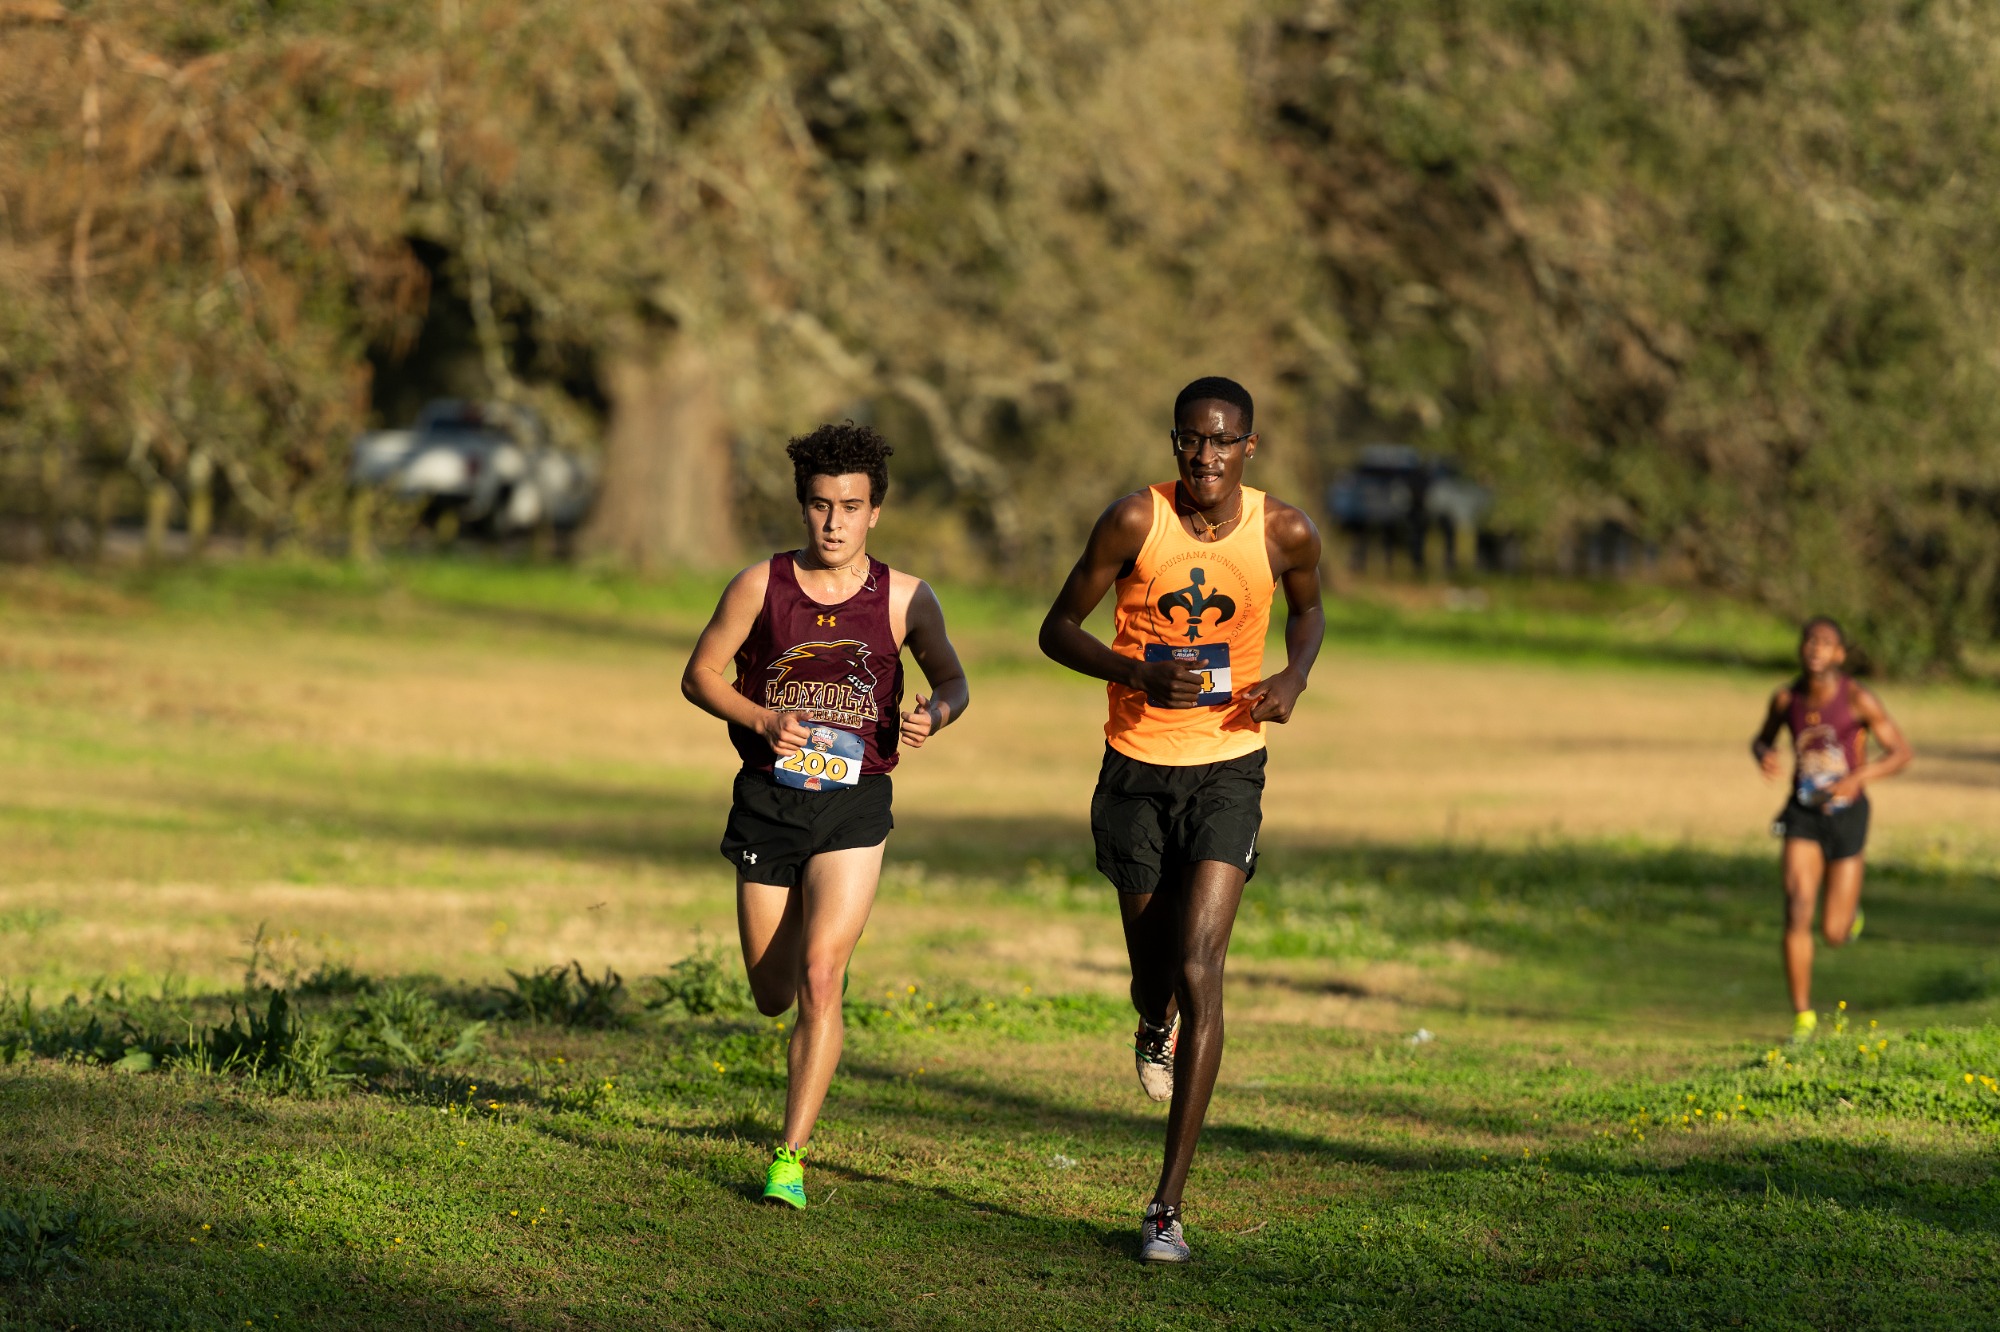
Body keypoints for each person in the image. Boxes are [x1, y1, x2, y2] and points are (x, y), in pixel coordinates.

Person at [1038, 375, 1324, 1263]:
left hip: (1228, 767)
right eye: (1190, 442)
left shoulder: (1285, 531)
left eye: (1222, 442)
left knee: (1204, 968)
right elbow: (1055, 628)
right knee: (1154, 970)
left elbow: (1310, 614)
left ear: (1249, 446)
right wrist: (1134, 672)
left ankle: (1165, 1206)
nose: (1205, 457)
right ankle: (1149, 1016)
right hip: (1134, 771)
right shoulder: (1134, 523)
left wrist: (1292, 678)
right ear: (1175, 444)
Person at [682, 421, 969, 1209]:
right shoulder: (758, 585)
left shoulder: (908, 598)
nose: (834, 523)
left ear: (876, 510)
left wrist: (932, 715)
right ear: (802, 507)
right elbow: (699, 675)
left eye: (851, 506)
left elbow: (953, 681)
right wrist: (761, 718)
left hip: (855, 804)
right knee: (772, 991)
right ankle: (798, 896)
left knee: (820, 975)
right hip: (769, 804)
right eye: (819, 506)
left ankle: (789, 1159)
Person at [1750, 617, 1913, 1043]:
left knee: (1833, 933)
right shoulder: (1787, 699)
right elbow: (1762, 739)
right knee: (1797, 907)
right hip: (1802, 814)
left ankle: (1848, 918)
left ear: (1839, 654)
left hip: (1848, 815)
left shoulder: (1857, 698)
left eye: (1825, 643)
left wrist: (1858, 779)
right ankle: (1802, 1016)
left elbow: (1901, 752)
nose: (1815, 649)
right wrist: (1764, 754)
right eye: (1809, 641)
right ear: (1800, 649)